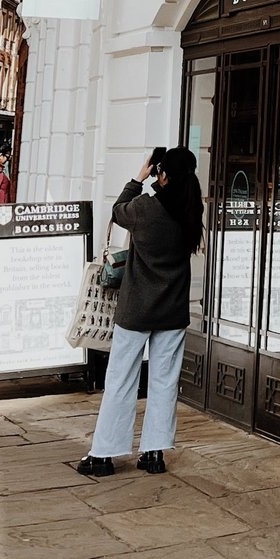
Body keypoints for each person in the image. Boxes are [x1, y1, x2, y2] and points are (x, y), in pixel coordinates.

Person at [76, 148, 203, 478]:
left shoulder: (146, 207)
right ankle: (154, 453)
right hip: (173, 311)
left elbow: (118, 211)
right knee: (164, 382)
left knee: (121, 379)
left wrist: (138, 178)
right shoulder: (191, 210)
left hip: (137, 310)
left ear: (163, 174)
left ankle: (104, 454)